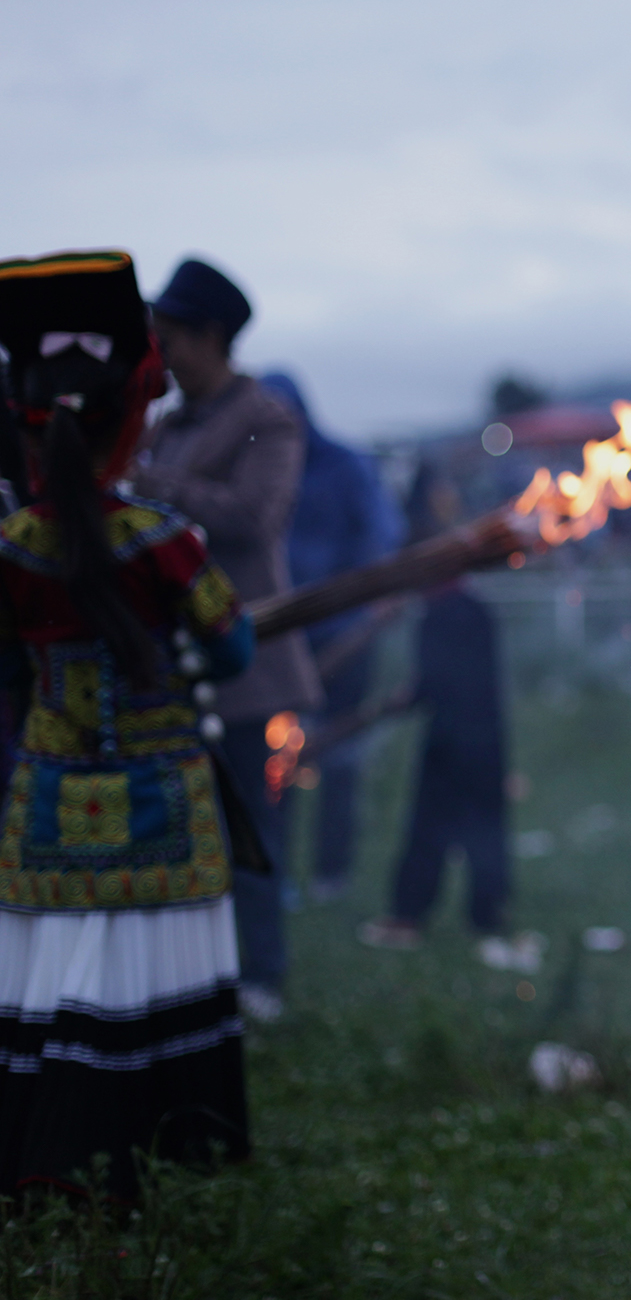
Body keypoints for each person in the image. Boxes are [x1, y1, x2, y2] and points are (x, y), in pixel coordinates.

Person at [0, 250, 257, 1197]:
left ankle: (40, 1156)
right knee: (146, 970)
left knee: (52, 970)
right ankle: (162, 1152)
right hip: (158, 799)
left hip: (45, 798)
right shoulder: (164, 540)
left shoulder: (13, 547)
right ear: (131, 416)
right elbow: (231, 650)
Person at [129, 258, 320, 1022]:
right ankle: (198, 971)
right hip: (172, 664)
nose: (160, 350)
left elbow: (253, 516)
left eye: (169, 335)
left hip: (250, 670)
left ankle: (261, 978)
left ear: (210, 337)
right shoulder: (165, 425)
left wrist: (144, 484)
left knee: (249, 830)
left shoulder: (269, 418)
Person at [357, 464, 535, 972]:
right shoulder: (425, 537)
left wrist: (421, 690)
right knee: (441, 821)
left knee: (465, 822)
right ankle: (433, 915)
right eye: (443, 488)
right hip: (454, 726)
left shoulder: (464, 602)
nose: (449, 496)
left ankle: (481, 915)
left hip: (472, 725)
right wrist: (418, 690)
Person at [259, 370, 403, 903]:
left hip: (342, 631)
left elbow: (378, 534)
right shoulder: (263, 464)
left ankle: (331, 872)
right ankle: (275, 874)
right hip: (280, 635)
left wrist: (364, 600)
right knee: (276, 758)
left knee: (339, 755)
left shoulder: (344, 465)